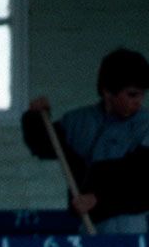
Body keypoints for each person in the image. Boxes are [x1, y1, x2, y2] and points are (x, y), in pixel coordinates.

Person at [22, 47, 149, 232]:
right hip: (86, 224)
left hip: (133, 224)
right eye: (131, 94)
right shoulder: (77, 123)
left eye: (142, 94)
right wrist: (35, 118)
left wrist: (99, 199)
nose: (139, 101)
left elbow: (142, 180)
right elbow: (43, 146)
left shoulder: (145, 126)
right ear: (107, 92)